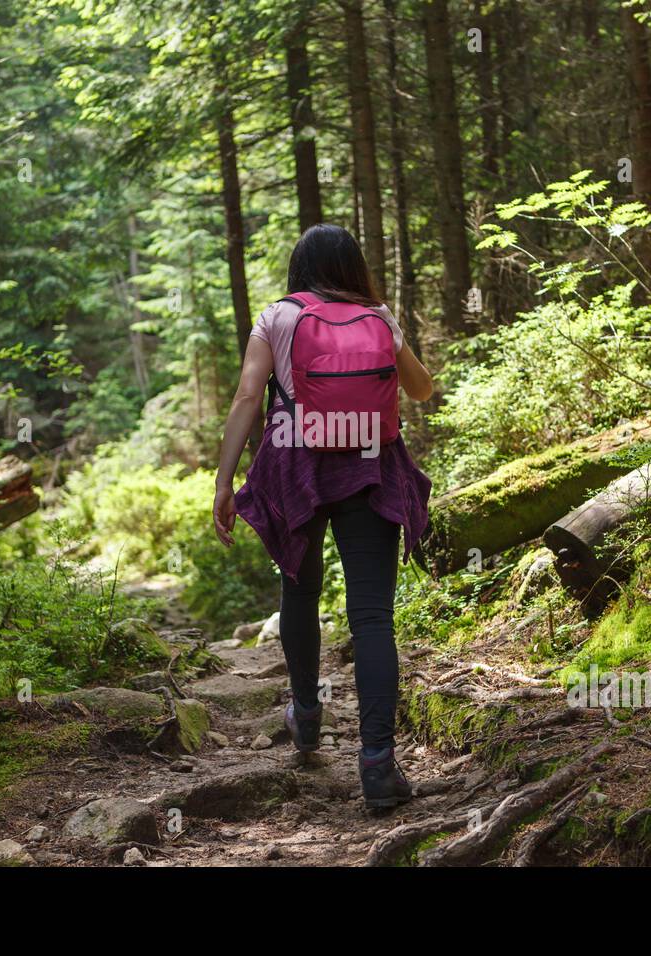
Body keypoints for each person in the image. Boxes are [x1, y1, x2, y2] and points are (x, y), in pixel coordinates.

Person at [212, 224, 434, 810]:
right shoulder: (379, 317)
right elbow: (422, 391)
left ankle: (305, 716)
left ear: (299, 266)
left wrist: (224, 480)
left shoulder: (278, 316)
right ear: (354, 266)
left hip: (296, 470)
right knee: (371, 619)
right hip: (369, 465)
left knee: (299, 592)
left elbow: (246, 397)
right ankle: (379, 766)